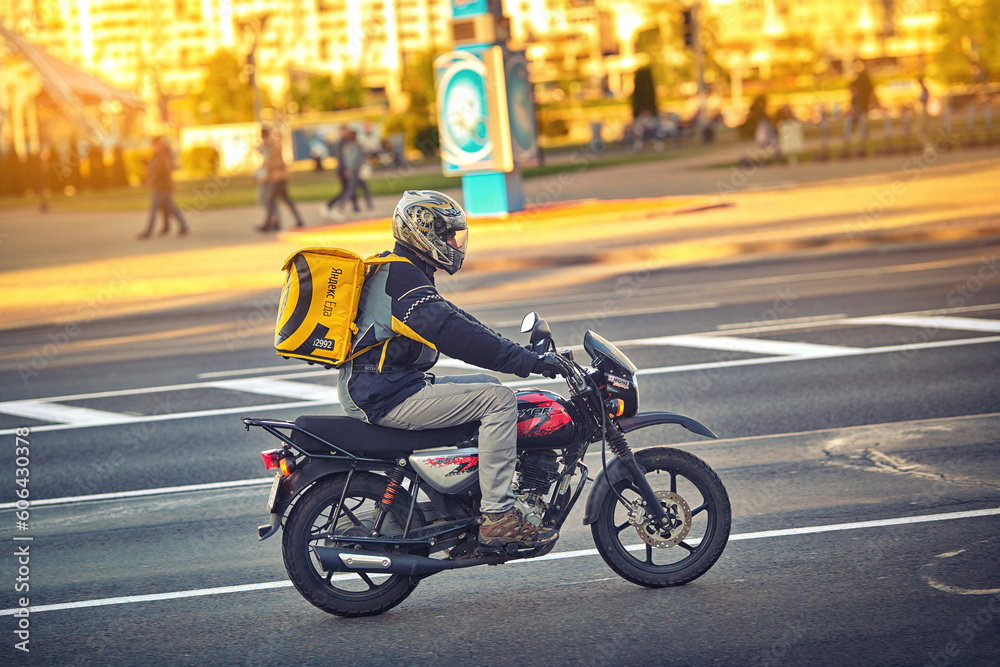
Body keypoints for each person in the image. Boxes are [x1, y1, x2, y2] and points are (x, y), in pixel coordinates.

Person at [339, 190, 569, 549]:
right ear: (422, 234)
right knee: (498, 400)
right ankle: (497, 516)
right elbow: (455, 335)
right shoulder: (399, 279)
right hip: (384, 393)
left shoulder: (405, 273)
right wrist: (528, 363)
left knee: (486, 385)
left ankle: (461, 499)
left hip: (390, 385)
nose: (454, 243)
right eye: (447, 235)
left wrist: (522, 354)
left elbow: (461, 321)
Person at [138, 136, 188, 239]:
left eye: (154, 145)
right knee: (168, 207)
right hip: (163, 185)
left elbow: (162, 170)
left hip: (162, 186)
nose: (153, 147)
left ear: (157, 144)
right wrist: (146, 162)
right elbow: (155, 166)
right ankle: (178, 226)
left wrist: (152, 180)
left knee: (154, 209)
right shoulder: (159, 154)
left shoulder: (163, 154)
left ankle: (148, 232)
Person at [256, 126, 304, 233]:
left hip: (279, 178)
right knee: (285, 201)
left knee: (272, 201)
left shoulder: (277, 147)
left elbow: (280, 163)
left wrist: (268, 165)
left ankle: (268, 224)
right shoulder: (270, 148)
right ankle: (298, 221)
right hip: (275, 178)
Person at [322, 129, 367, 219]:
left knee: (351, 189)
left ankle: (356, 209)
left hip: (346, 170)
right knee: (347, 190)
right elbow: (343, 158)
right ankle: (332, 206)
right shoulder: (342, 144)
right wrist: (345, 170)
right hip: (344, 171)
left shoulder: (347, 143)